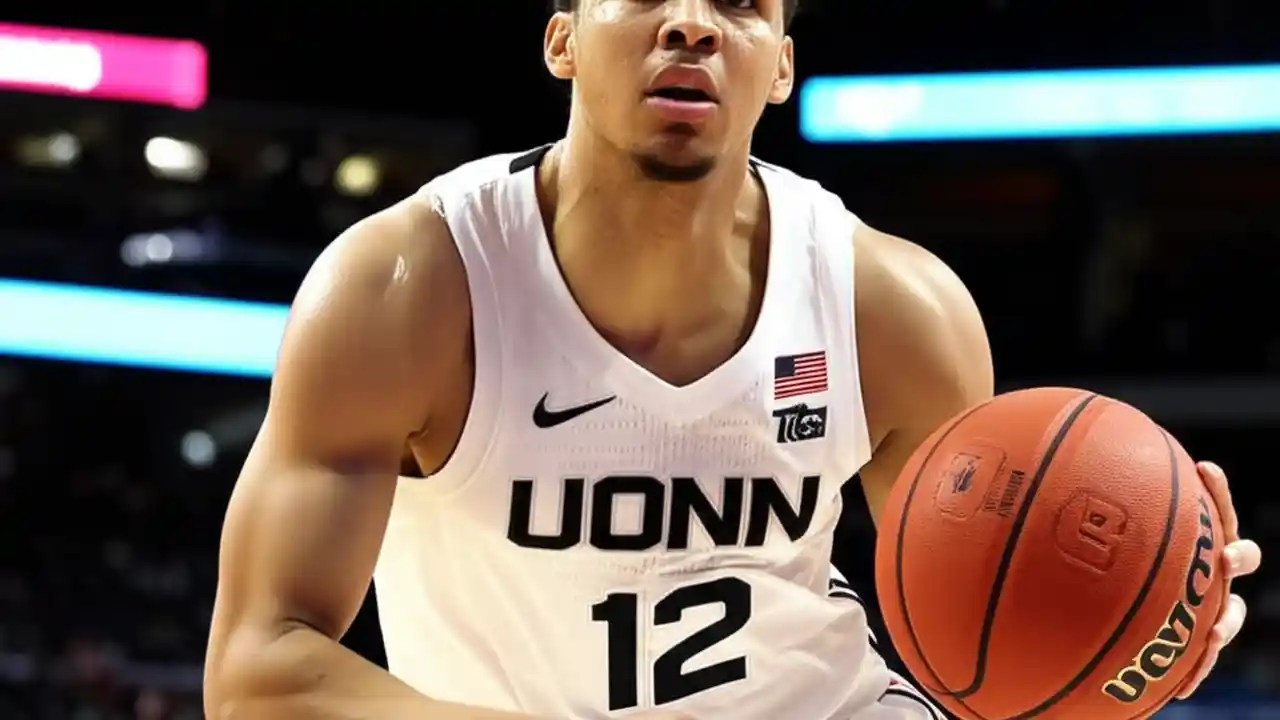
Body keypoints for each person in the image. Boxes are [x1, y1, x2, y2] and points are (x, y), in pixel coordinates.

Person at [202, 1, 1262, 718]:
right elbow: (258, 672)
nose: (692, 24)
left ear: (782, 66)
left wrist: (1144, 617)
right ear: (562, 40)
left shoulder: (890, 305)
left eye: (744, 6)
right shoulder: (409, 289)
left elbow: (980, 602)